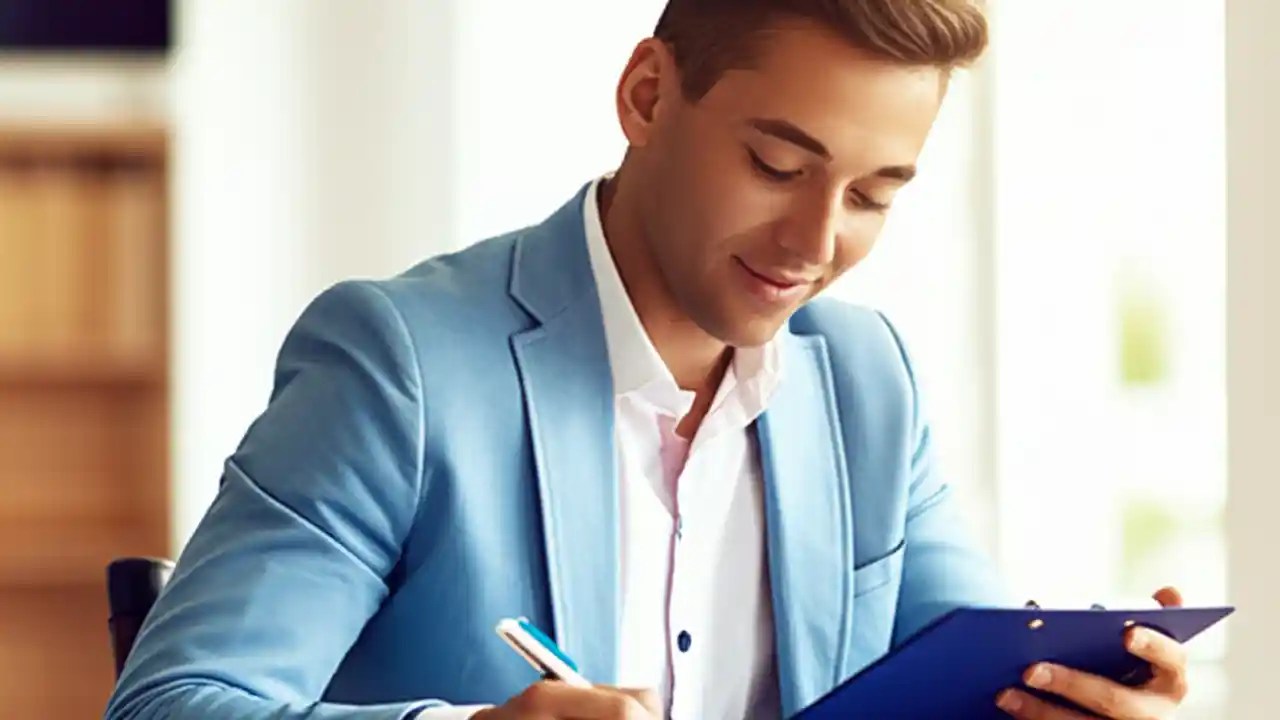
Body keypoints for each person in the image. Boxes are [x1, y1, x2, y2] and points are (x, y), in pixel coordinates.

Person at [106, 1, 1194, 719]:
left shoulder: (862, 380)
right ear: (644, 95)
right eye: (777, 164)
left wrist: (1064, 699)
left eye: (870, 196)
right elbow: (176, 704)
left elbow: (961, 683)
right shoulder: (404, 366)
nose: (814, 245)